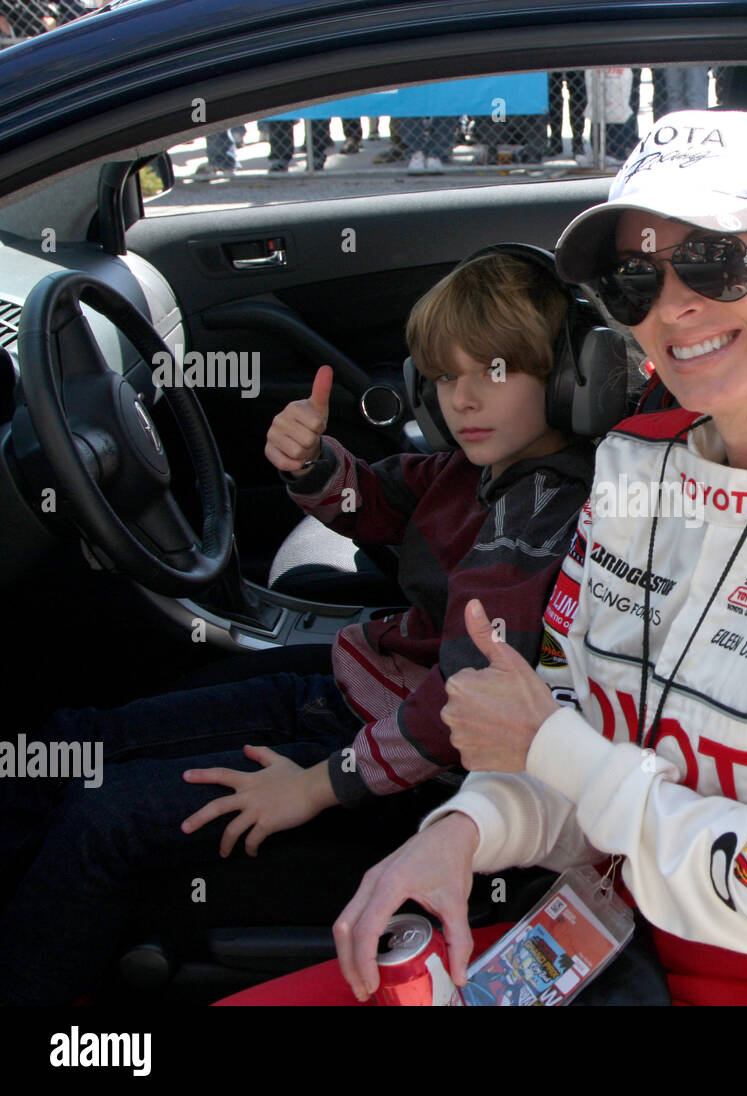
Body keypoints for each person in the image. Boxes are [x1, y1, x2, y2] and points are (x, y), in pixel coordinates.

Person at [225, 109, 747, 1007]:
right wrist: (463, 828)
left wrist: (552, 751)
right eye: (634, 279)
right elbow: (559, 725)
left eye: (715, 260)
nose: (674, 306)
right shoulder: (633, 466)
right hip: (596, 935)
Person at [0, 252, 598, 1004]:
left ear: (570, 378)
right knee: (64, 745)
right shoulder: (472, 466)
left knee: (100, 822)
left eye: (496, 372)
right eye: (446, 377)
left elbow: (464, 700)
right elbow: (375, 504)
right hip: (353, 687)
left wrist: (319, 785)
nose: (464, 400)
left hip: (407, 775)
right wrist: (314, 463)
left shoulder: (539, 513)